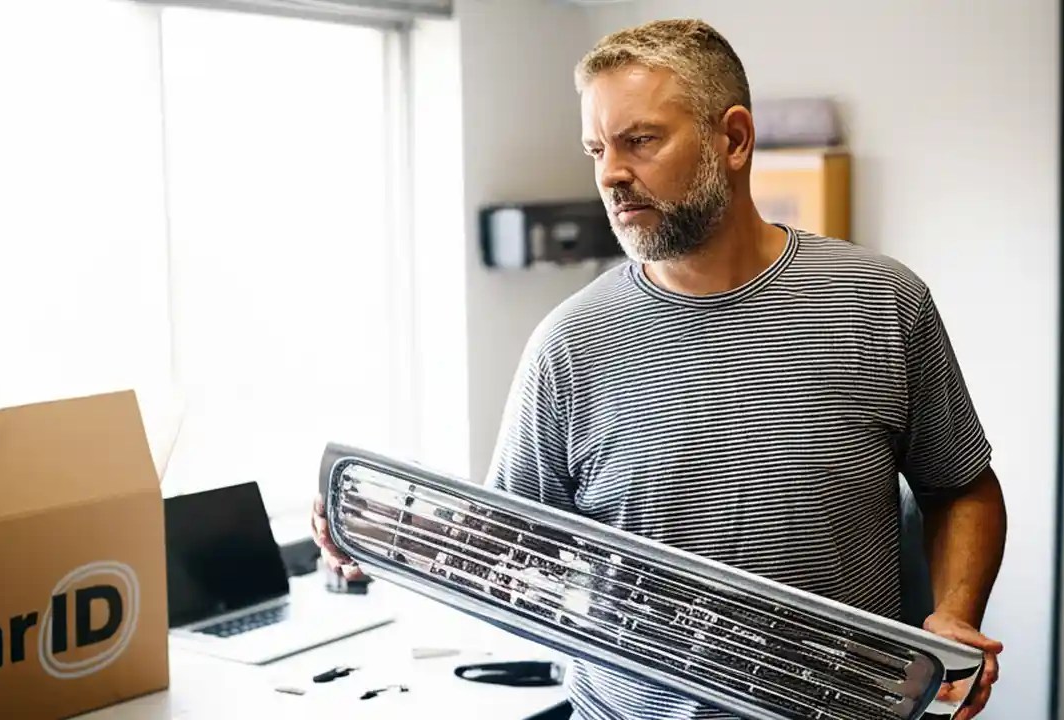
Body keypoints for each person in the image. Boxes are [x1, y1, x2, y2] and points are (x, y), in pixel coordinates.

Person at [314, 18, 1007, 720]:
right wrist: (382, 534)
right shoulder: (568, 346)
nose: (611, 172)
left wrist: (953, 613)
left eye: (639, 140)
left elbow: (963, 487)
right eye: (596, 148)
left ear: (732, 139)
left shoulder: (881, 302)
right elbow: (511, 557)